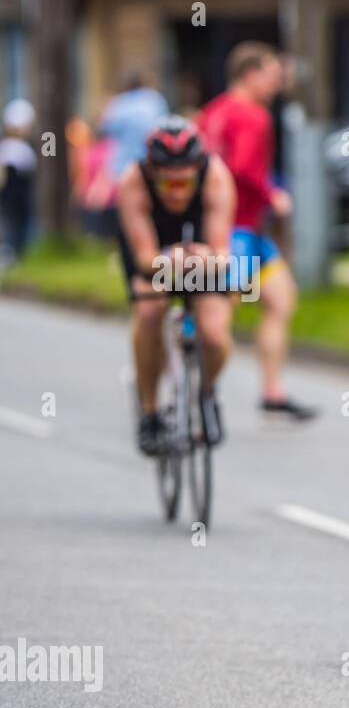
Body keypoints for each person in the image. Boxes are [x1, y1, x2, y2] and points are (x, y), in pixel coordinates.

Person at [197, 42, 315, 420]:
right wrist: (273, 194)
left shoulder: (212, 112)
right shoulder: (253, 116)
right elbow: (244, 169)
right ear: (250, 74)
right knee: (220, 313)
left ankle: (272, 392)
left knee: (280, 300)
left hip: (246, 230)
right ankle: (201, 391)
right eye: (271, 75)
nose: (278, 83)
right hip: (236, 230)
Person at [116, 117, 237, 456]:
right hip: (153, 253)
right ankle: (150, 411)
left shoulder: (216, 177)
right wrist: (168, 263)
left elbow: (222, 252)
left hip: (202, 249)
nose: (177, 192)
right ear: (153, 175)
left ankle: (207, 393)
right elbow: (143, 257)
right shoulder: (132, 183)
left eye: (185, 183)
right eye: (168, 184)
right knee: (150, 310)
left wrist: (202, 259)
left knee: (213, 332)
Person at [98, 71, 169, 184]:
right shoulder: (154, 100)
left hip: (123, 166)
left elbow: (104, 130)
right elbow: (164, 128)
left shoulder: (119, 103)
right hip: (152, 163)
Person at [0, 98, 37, 265]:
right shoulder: (13, 149)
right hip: (13, 200)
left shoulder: (17, 148)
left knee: (18, 228)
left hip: (18, 200)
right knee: (12, 228)